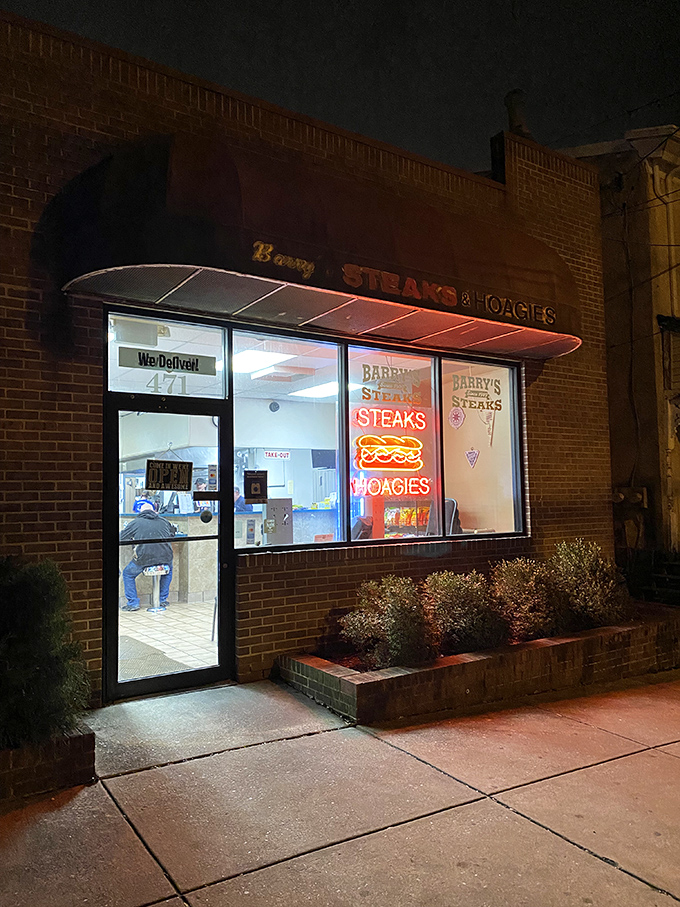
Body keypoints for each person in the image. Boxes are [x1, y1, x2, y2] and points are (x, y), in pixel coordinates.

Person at [119, 502, 176, 612]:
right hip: (165, 557)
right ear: (154, 511)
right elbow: (172, 534)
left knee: (128, 574)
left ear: (140, 511)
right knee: (168, 571)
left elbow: (121, 537)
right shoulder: (164, 521)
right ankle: (162, 599)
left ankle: (133, 603)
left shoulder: (135, 523)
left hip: (145, 558)